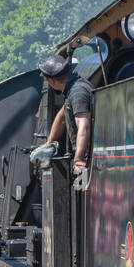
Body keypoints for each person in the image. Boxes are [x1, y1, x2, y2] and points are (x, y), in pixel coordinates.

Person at [39, 53, 93, 183]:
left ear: (51, 81)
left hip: (87, 159)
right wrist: (49, 144)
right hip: (87, 156)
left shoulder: (78, 93)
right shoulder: (74, 89)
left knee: (81, 191)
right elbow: (63, 116)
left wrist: (79, 159)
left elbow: (83, 125)